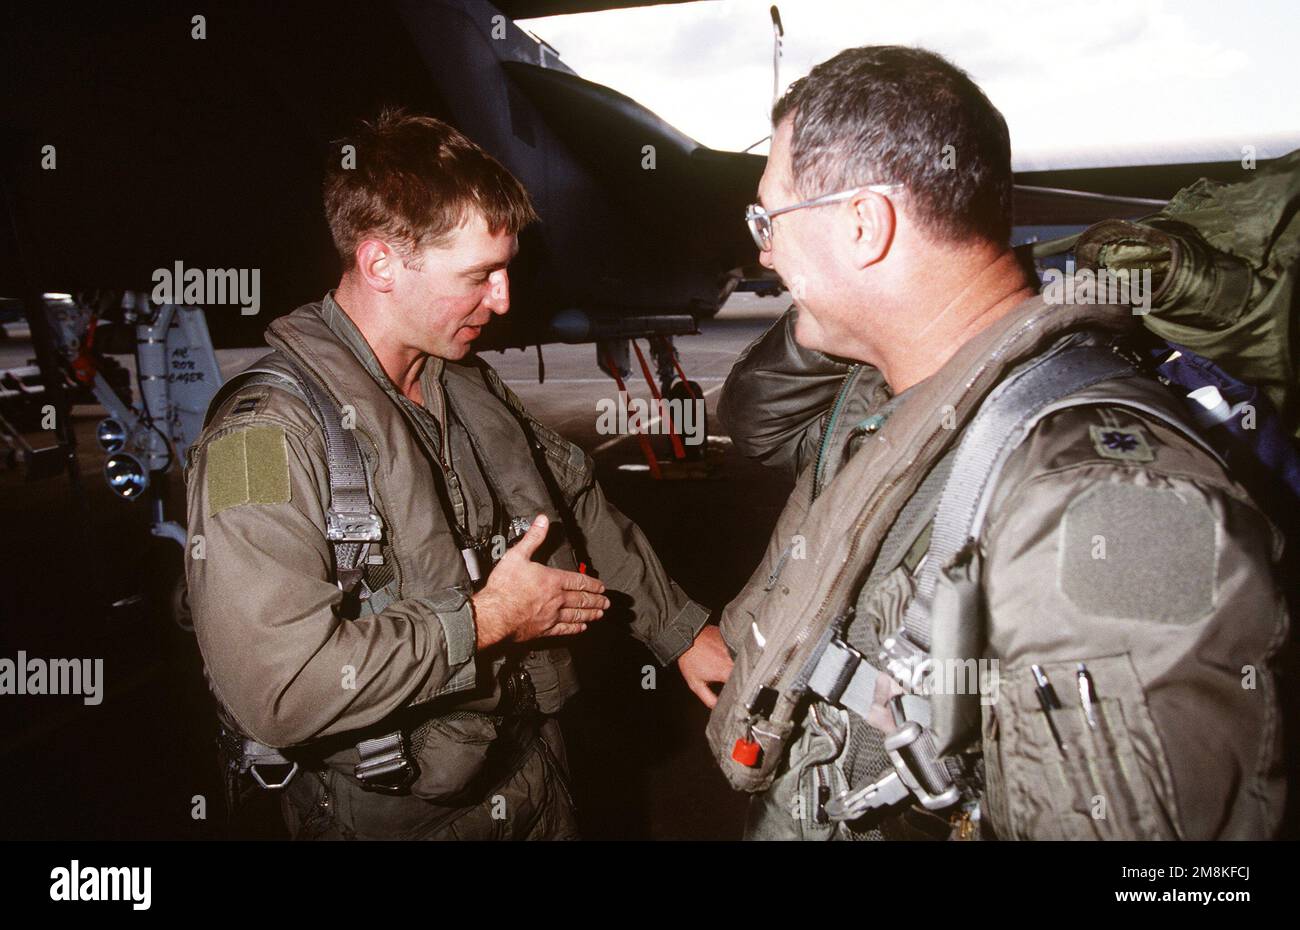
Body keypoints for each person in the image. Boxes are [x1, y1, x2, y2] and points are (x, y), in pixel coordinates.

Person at [709, 46, 1289, 840]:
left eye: (769, 220)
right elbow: (757, 422)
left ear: (863, 223)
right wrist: (866, 295)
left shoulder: (1100, 504)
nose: (764, 252)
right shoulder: (903, 390)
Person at [184, 110, 730, 840]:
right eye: (478, 276)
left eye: (505, 270)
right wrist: (487, 620)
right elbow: (274, 688)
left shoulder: (463, 381)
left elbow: (574, 494)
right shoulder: (253, 439)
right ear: (380, 264)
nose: (503, 300)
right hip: (397, 816)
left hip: (532, 772)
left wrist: (681, 631)